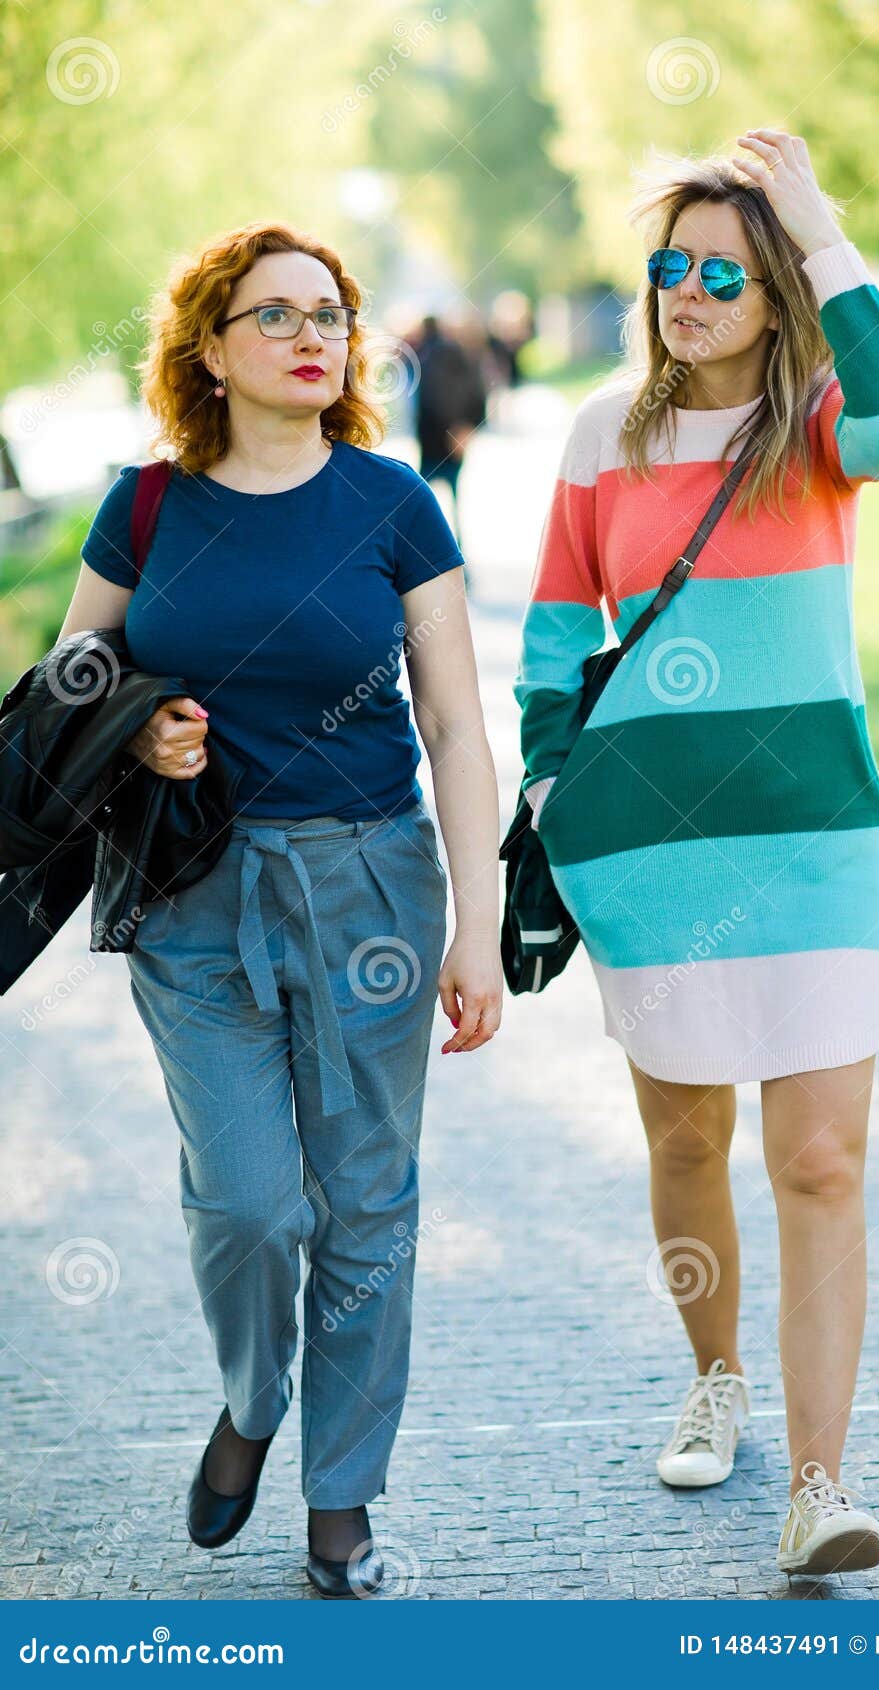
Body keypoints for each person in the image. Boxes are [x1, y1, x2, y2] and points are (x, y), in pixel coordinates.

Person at [58, 220, 503, 1598]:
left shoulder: (391, 503)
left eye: (332, 314)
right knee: (251, 1202)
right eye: (277, 315)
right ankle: (254, 1398)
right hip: (194, 894)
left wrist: (475, 926)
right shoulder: (146, 507)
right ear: (210, 347)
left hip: (369, 879)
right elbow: (70, 676)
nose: (315, 335)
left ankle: (341, 1494)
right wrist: (134, 736)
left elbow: (455, 721)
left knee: (366, 1201)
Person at [513, 132, 879, 1576]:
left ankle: (818, 1484)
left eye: (723, 274)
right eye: (669, 268)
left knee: (819, 1157)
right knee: (686, 1136)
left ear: (773, 298)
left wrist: (816, 219)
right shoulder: (596, 438)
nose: (686, 292)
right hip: (650, 853)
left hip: (817, 839)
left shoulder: (813, 422)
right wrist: (555, 783)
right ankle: (714, 1375)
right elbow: (557, 627)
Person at [414, 314, 487, 559]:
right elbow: (477, 396)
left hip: (438, 444)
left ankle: (434, 557)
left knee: (421, 504)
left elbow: (436, 397)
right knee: (448, 504)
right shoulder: (464, 356)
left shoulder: (439, 354)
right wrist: (466, 429)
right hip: (449, 444)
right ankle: (452, 556)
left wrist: (459, 429)